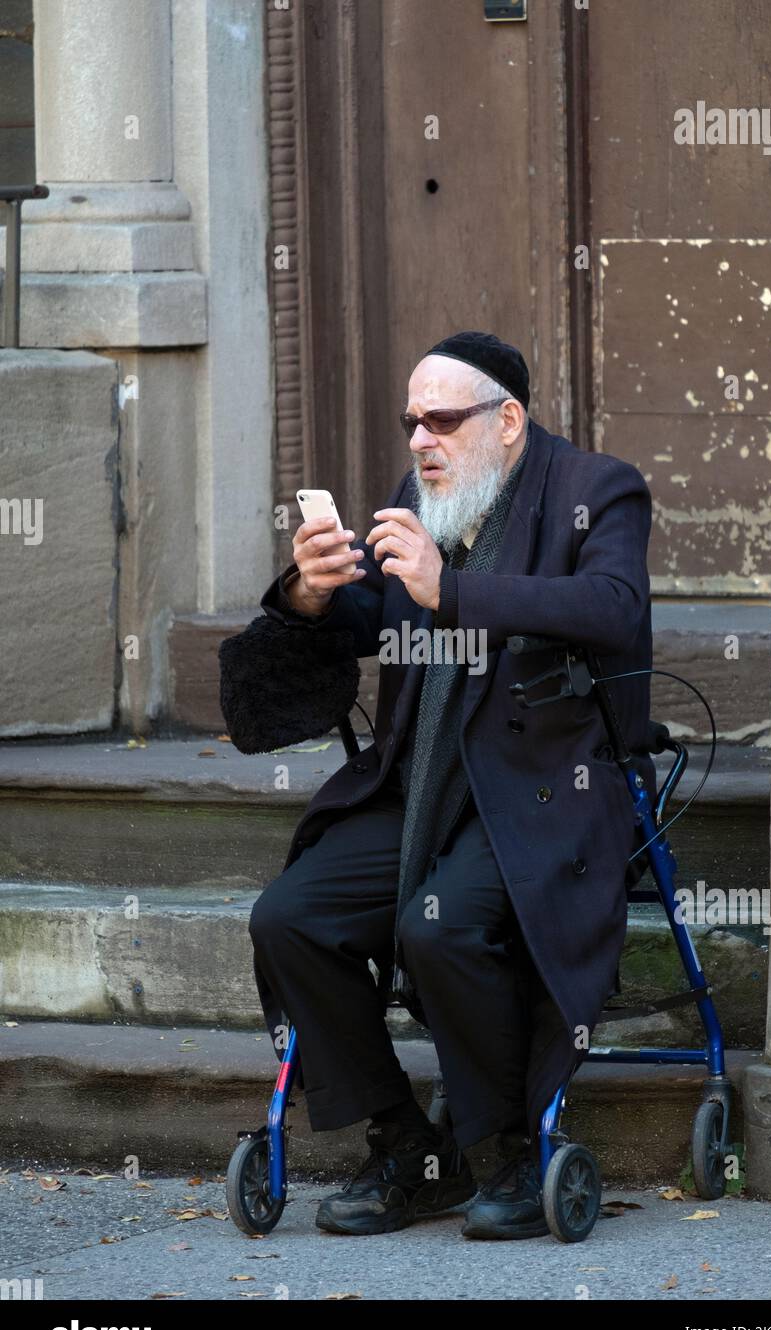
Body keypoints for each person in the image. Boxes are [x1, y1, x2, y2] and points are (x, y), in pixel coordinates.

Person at [249, 330, 655, 1239]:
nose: (420, 441)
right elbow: (379, 613)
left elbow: (614, 609)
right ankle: (406, 1150)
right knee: (289, 918)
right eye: (411, 423)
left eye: (441, 420)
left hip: (543, 788)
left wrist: (458, 593)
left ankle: (508, 1153)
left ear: (507, 421)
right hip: (422, 780)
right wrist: (313, 593)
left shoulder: (598, 490)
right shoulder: (421, 497)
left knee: (437, 930)